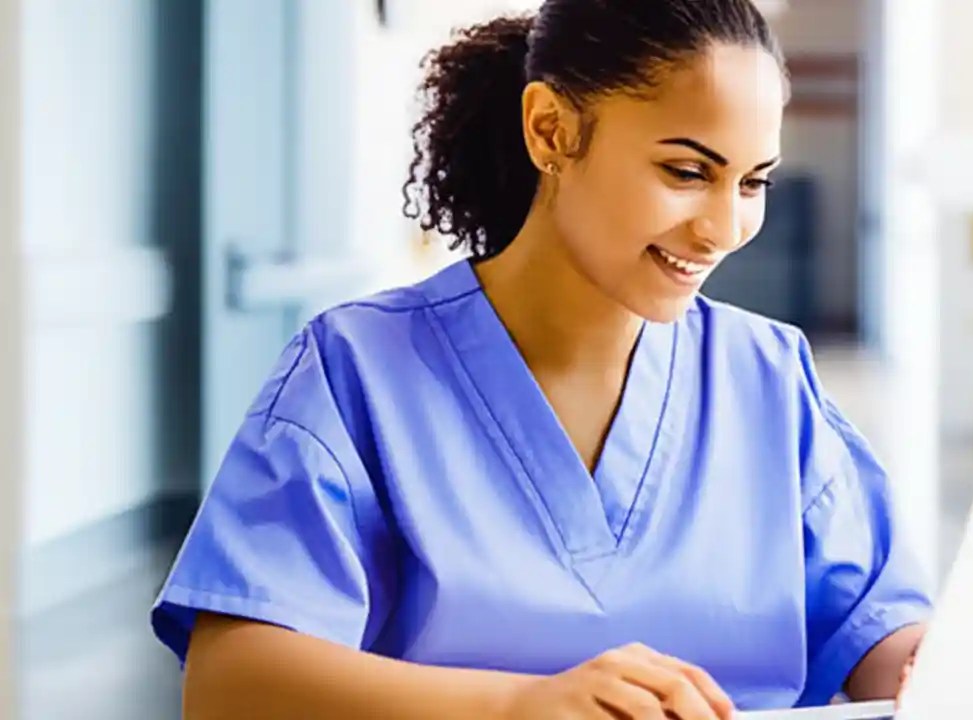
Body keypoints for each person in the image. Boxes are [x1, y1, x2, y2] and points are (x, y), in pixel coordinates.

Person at [151, 1, 933, 717]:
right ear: (551, 130)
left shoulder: (768, 378)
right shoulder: (358, 372)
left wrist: (933, 663)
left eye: (753, 182)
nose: (723, 228)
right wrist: (518, 707)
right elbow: (232, 679)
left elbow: (874, 630)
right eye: (687, 172)